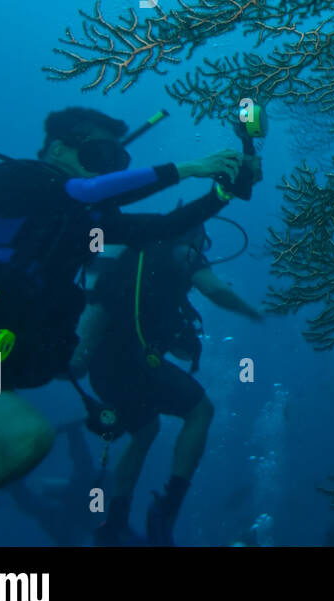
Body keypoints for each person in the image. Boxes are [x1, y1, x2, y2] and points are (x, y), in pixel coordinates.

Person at [0, 107, 244, 545]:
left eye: (115, 160)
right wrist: (190, 168)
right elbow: (81, 190)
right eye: (97, 152)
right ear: (58, 147)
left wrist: (225, 190)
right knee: (22, 438)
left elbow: (164, 226)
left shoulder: (76, 222)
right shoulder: (12, 180)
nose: (105, 165)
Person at [77, 222, 264, 546]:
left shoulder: (140, 257)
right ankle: (167, 510)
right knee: (200, 410)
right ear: (194, 236)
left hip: (102, 369)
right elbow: (214, 290)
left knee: (146, 430)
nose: (203, 248)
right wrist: (251, 311)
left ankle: (115, 523)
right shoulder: (185, 254)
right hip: (131, 363)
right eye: (202, 241)